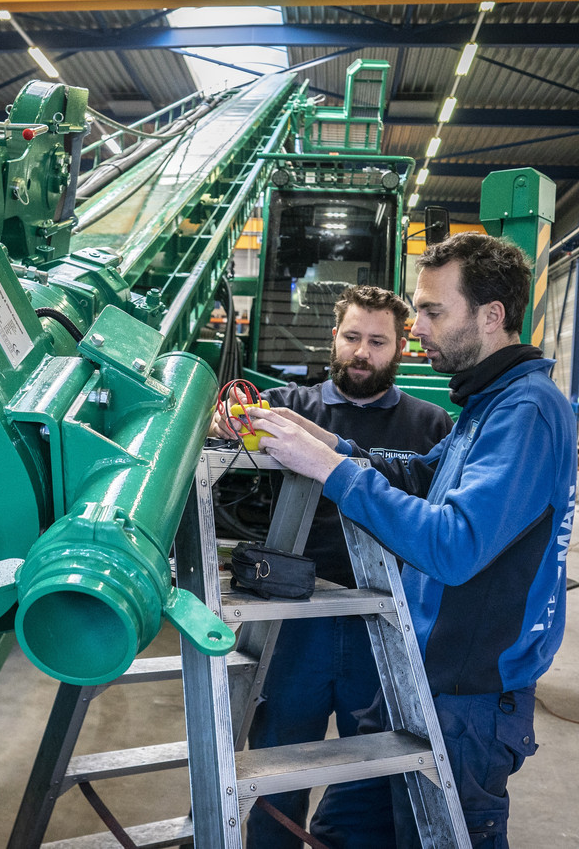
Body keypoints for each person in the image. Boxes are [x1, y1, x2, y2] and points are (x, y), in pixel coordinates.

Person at [248, 232, 577, 849]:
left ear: (490, 316)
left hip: (467, 697)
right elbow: (424, 474)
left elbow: (452, 545)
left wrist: (331, 472)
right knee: (343, 831)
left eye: (431, 310)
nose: (416, 325)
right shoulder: (487, 403)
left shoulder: (526, 410)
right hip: (418, 678)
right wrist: (332, 447)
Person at [212, 285, 453, 848]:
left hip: (385, 623)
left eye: (377, 341)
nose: (361, 353)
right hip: (296, 620)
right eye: (352, 338)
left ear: (400, 350)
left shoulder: (430, 426)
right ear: (334, 338)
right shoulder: (290, 408)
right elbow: (224, 415)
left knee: (374, 776)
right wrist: (227, 418)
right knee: (278, 766)